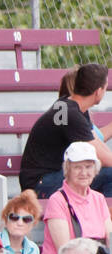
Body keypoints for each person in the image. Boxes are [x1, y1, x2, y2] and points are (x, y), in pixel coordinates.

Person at [19, 62, 112, 197]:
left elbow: (101, 148)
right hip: (41, 184)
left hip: (50, 177)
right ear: (98, 92)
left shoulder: (72, 107)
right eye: (105, 88)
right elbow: (101, 158)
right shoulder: (71, 114)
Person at [39, 141, 112, 254]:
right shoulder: (58, 200)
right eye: (77, 167)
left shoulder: (99, 199)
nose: (84, 172)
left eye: (88, 167)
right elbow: (66, 252)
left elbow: (110, 237)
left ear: (95, 170)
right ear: (68, 170)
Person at [0, 190, 43, 254]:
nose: (19, 223)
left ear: (34, 223)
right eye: (14, 217)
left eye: (26, 219)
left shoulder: (34, 249)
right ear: (6, 220)